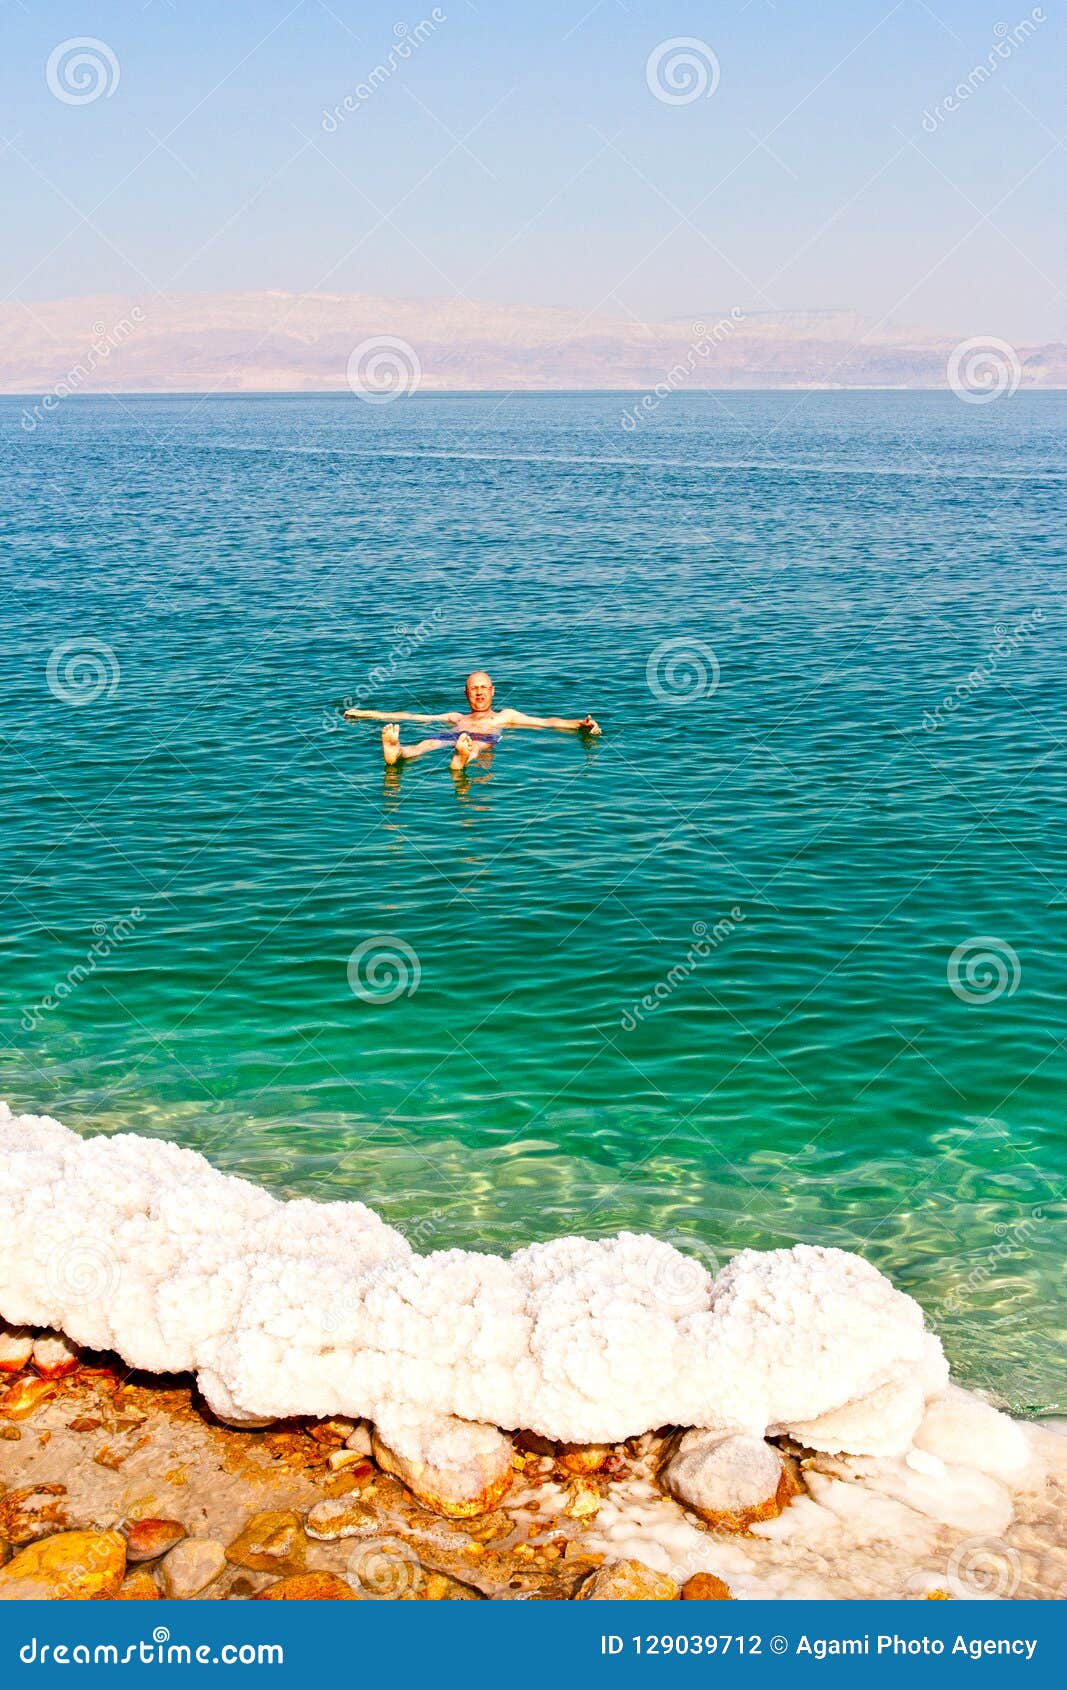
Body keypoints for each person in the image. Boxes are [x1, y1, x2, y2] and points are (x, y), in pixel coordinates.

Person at [344, 670, 600, 771]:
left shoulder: (505, 715)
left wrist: (579, 724)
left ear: (492, 691)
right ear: (466, 694)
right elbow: (410, 716)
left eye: (483, 687)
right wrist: (365, 713)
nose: (479, 692)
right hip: (453, 735)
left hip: (482, 738)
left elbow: (546, 722)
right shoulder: (456, 717)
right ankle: (397, 752)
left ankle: (461, 759)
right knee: (425, 744)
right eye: (474, 689)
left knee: (476, 746)